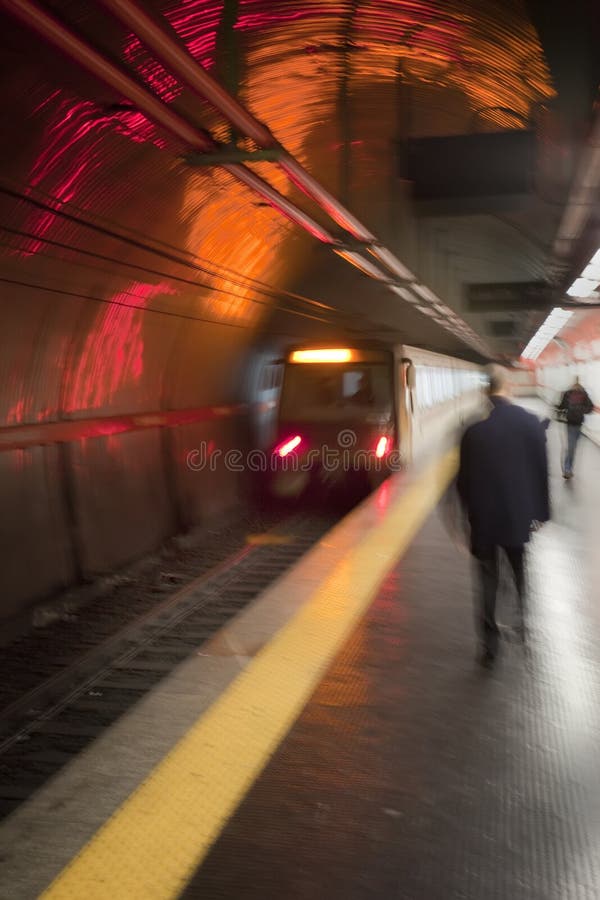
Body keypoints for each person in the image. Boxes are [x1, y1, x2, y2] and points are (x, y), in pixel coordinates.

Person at [457, 365, 550, 668]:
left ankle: (489, 645)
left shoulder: (473, 430)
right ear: (508, 387)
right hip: (517, 516)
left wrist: (467, 517)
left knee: (487, 579)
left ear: (486, 391)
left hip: (484, 520)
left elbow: (463, 482)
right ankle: (523, 624)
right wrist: (540, 514)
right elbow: (539, 471)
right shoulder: (530, 423)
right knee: (519, 570)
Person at [557, 376, 593, 478]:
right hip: (570, 424)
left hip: (579, 424)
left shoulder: (583, 394)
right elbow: (561, 406)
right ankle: (567, 469)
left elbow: (590, 407)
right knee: (571, 447)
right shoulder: (568, 394)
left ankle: (569, 468)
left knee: (573, 448)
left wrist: (581, 410)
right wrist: (560, 404)